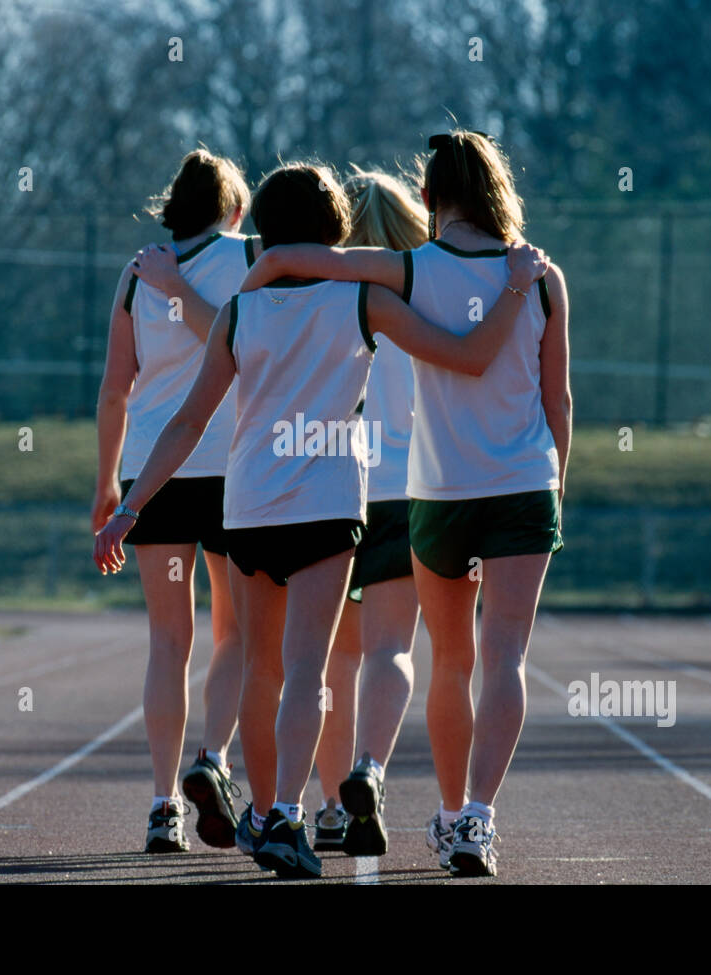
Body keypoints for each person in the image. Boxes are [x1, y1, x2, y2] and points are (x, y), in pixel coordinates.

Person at [96, 160, 550, 879]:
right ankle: (287, 817)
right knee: (309, 667)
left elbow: (185, 423)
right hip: (329, 505)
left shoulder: (242, 309)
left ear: (266, 235)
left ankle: (268, 809)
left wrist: (128, 507)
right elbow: (466, 356)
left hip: (249, 504)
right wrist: (517, 285)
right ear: (334, 233)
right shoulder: (363, 304)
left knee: (258, 666)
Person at [238, 130, 571, 878]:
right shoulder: (544, 277)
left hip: (433, 490)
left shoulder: (406, 273)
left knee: (436, 660)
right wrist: (560, 479)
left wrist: (252, 287)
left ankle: (377, 800)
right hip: (522, 482)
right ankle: (472, 817)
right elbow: (562, 401)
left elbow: (297, 257)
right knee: (504, 655)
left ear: (430, 195)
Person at [91, 148, 256, 854]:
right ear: (235, 208)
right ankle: (208, 761)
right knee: (233, 632)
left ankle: (166, 802)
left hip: (154, 476)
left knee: (169, 640)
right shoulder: (251, 257)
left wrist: (106, 482)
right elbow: (239, 342)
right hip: (222, 470)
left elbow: (112, 391)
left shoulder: (137, 275)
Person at [310, 168, 428, 858]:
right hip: (407, 487)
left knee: (331, 659)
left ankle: (328, 806)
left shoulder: (320, 292)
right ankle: (371, 768)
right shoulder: (428, 291)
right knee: (393, 647)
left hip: (331, 487)